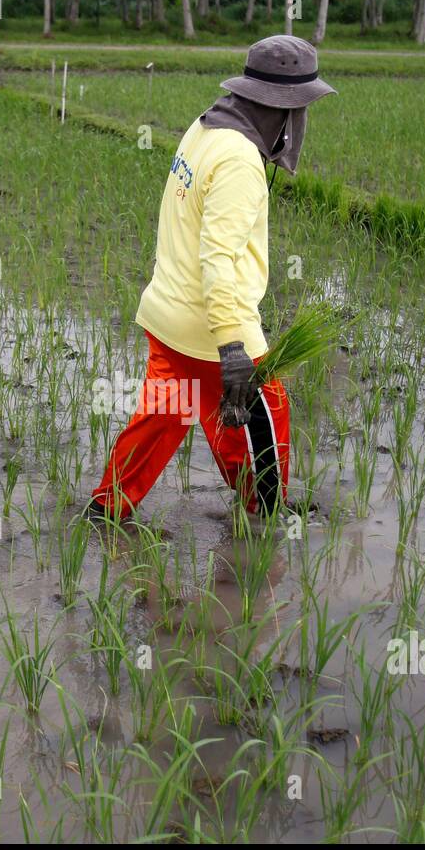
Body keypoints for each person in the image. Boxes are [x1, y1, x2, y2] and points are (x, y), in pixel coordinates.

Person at [87, 36, 335, 522]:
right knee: (263, 416)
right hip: (212, 327)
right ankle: (267, 517)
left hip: (168, 314)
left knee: (163, 417)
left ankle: (107, 506)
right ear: (284, 109)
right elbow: (218, 259)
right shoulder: (241, 160)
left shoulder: (205, 127)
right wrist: (232, 349)